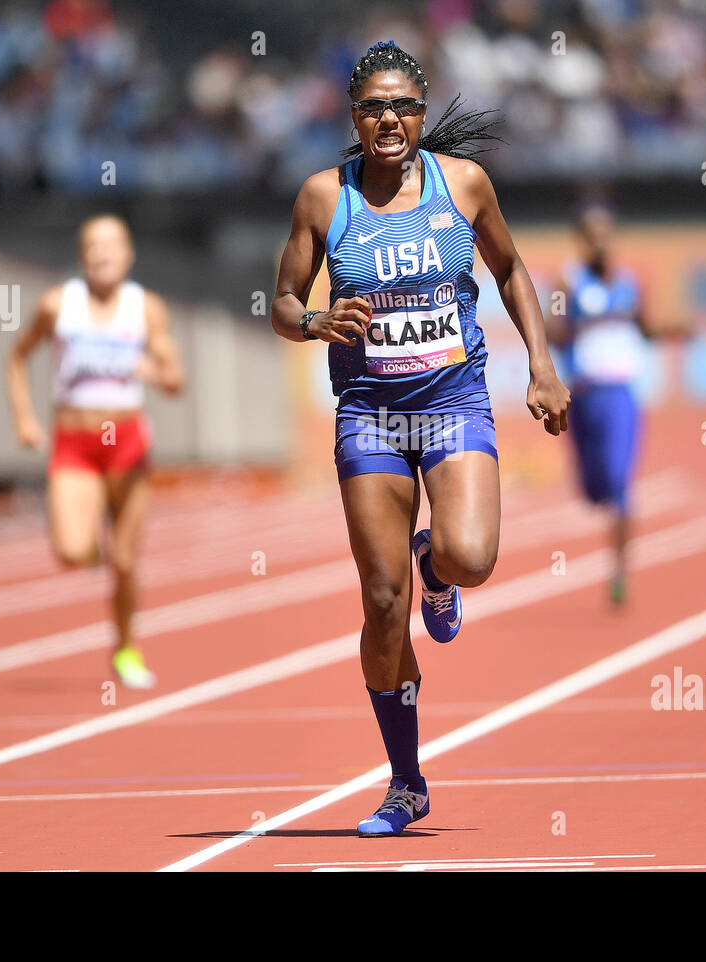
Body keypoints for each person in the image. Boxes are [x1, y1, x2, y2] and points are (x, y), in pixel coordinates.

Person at [269, 40, 570, 836]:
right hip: (369, 413)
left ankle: (436, 564)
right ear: (355, 117)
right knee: (380, 603)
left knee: (471, 559)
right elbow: (281, 301)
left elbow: (509, 270)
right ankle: (405, 782)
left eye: (402, 105)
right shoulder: (322, 199)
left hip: (454, 402)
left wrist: (541, 366)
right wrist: (312, 321)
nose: (389, 120)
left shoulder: (462, 183)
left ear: (423, 113)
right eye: (373, 107)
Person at [6, 214, 184, 689]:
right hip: (75, 442)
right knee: (70, 550)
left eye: (112, 246)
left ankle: (126, 648)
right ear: (83, 255)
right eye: (93, 246)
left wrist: (154, 372)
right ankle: (94, 550)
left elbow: (175, 379)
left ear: (127, 255)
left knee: (125, 561)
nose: (103, 254)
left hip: (127, 444)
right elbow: (17, 358)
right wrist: (25, 418)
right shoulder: (57, 305)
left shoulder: (144, 307)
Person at [545, 200, 686, 606]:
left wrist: (677, 329)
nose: (601, 240)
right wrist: (580, 321)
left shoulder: (628, 283)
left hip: (621, 395)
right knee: (592, 491)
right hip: (583, 398)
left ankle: (620, 572)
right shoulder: (568, 283)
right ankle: (604, 498)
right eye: (592, 233)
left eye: (606, 232)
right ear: (582, 239)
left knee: (619, 483)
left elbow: (645, 329)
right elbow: (552, 331)